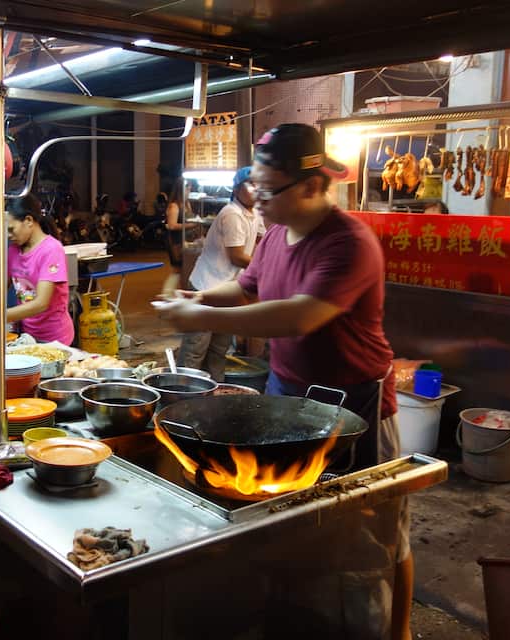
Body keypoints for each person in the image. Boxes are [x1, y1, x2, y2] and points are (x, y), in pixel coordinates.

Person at [157, 123, 412, 640]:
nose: (259, 199)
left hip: (356, 405)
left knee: (379, 531)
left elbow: (298, 317)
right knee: (295, 525)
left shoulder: (349, 243)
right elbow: (247, 288)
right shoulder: (273, 234)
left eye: (270, 189)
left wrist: (202, 321)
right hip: (286, 395)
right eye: (257, 186)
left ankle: (400, 630)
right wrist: (198, 300)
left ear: (314, 184)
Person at [177, 166, 264, 380]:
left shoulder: (256, 213)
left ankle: (215, 393)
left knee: (218, 349)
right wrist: (265, 269)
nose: (256, 189)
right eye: (251, 184)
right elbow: (237, 256)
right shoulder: (231, 214)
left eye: (259, 184)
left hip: (228, 289)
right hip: (205, 286)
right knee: (195, 348)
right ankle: (182, 396)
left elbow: (262, 241)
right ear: (236, 188)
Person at [6, 193, 74, 345]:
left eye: (11, 229)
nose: (8, 235)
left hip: (55, 338)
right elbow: (0, 289)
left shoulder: (51, 250)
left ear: (29, 220)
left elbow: (41, 303)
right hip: (27, 335)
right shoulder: (13, 251)